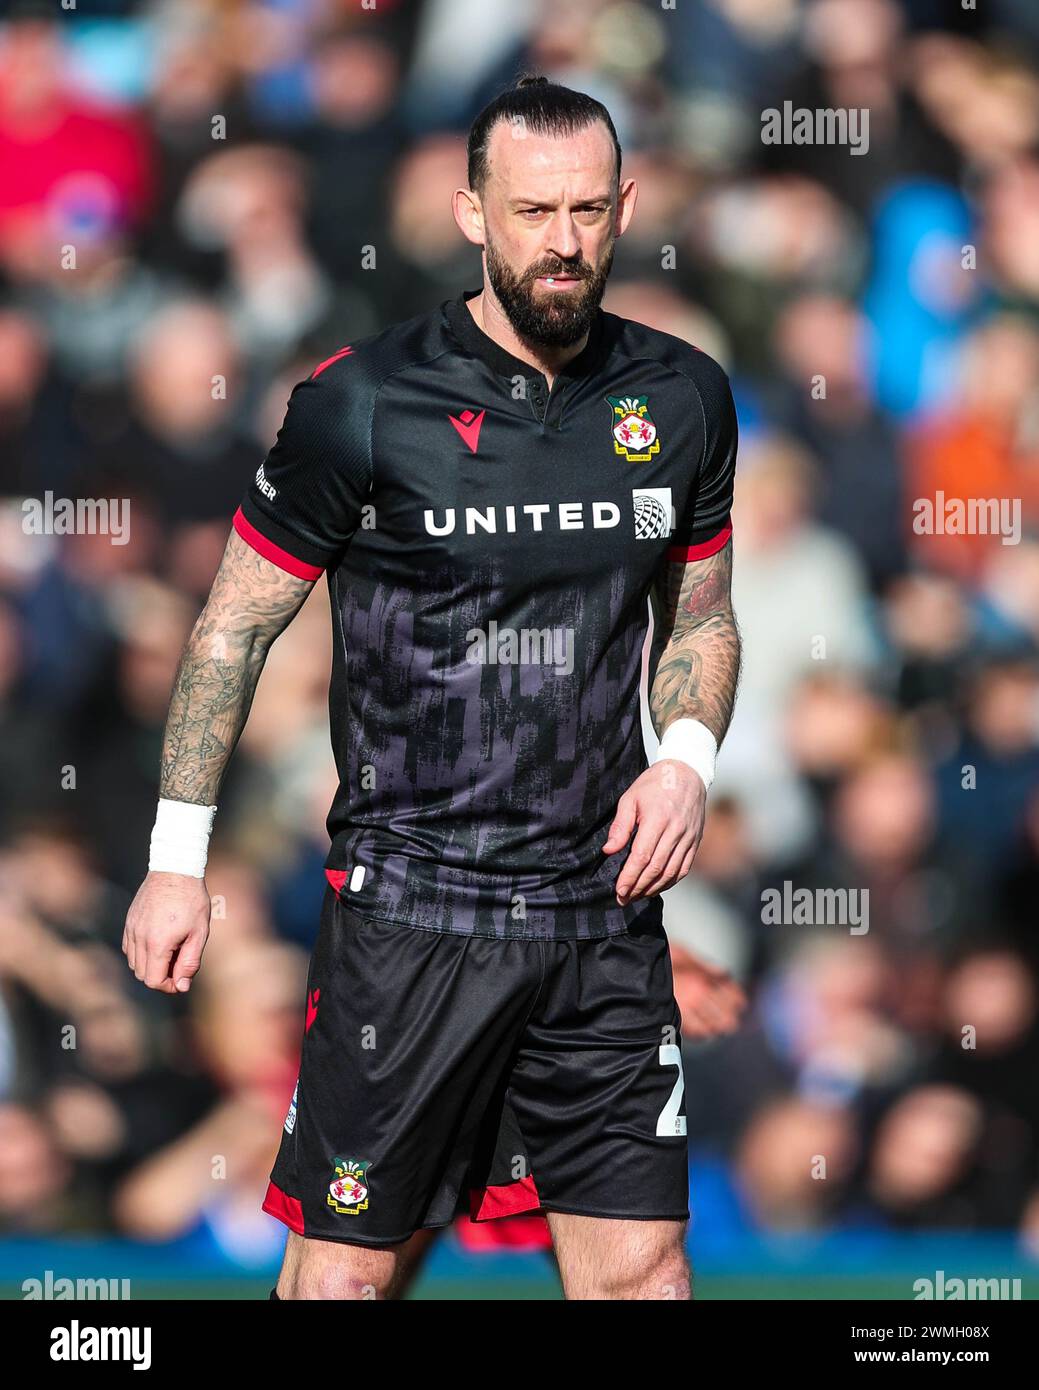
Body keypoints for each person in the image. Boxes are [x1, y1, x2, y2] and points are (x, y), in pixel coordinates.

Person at [122, 76, 742, 1301]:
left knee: (645, 1272)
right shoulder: (362, 400)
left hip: (600, 916)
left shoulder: (681, 397)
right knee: (345, 1280)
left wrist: (684, 758)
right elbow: (231, 630)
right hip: (411, 915)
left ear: (626, 206)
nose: (560, 244)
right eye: (529, 213)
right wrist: (176, 859)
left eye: (583, 211)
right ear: (471, 214)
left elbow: (706, 622)